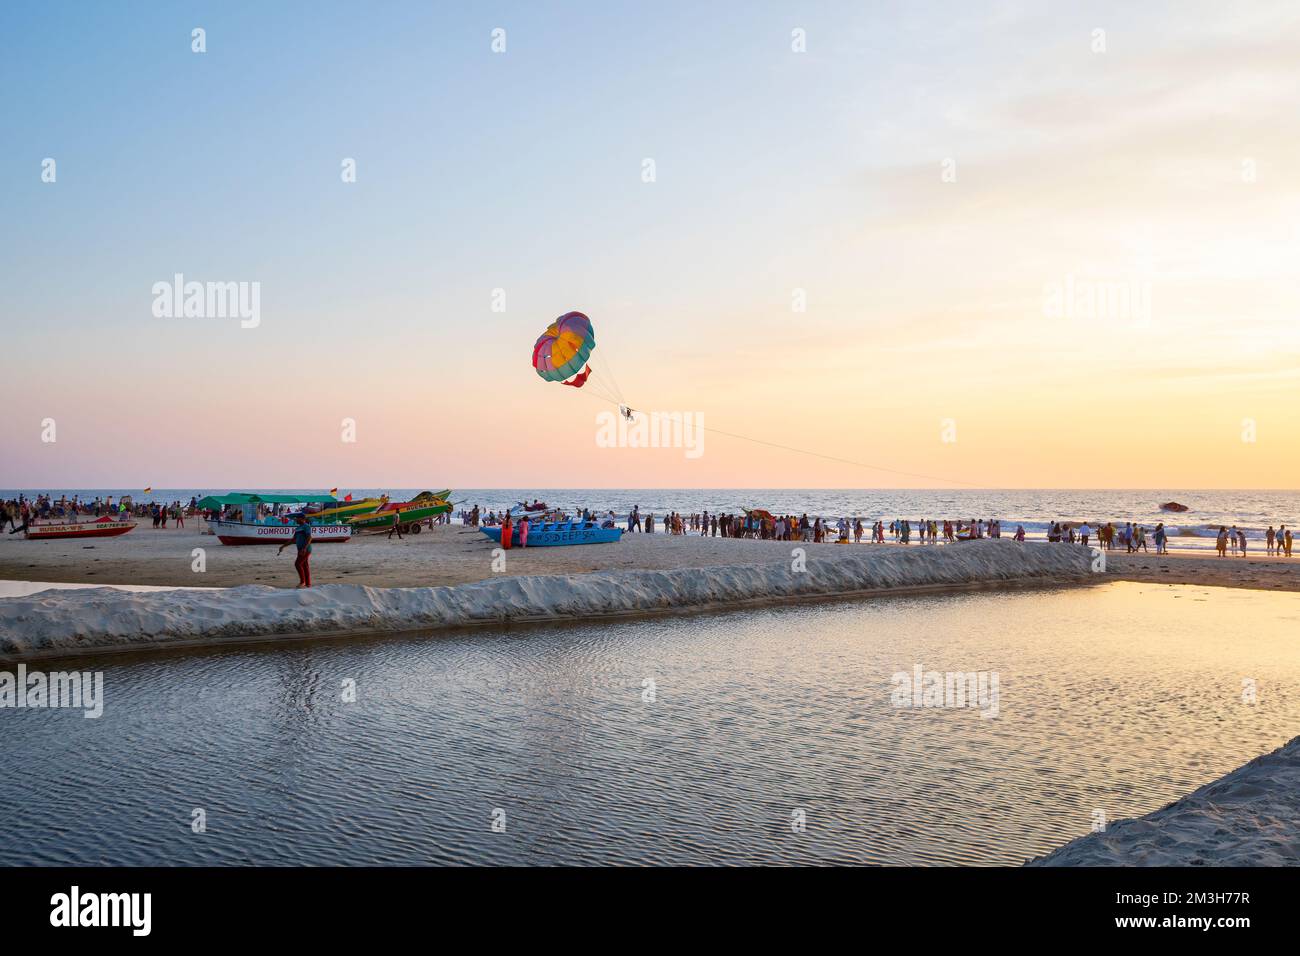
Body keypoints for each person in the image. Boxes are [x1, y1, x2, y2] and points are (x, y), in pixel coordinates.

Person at [277, 515, 313, 588]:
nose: (296, 520)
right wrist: (283, 546)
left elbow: (310, 538)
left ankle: (302, 582)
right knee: (305, 565)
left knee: (298, 564)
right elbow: (293, 540)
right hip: (300, 549)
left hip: (305, 549)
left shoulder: (306, 526)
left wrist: (304, 548)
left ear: (303, 519)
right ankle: (308, 584)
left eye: (297, 518)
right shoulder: (297, 528)